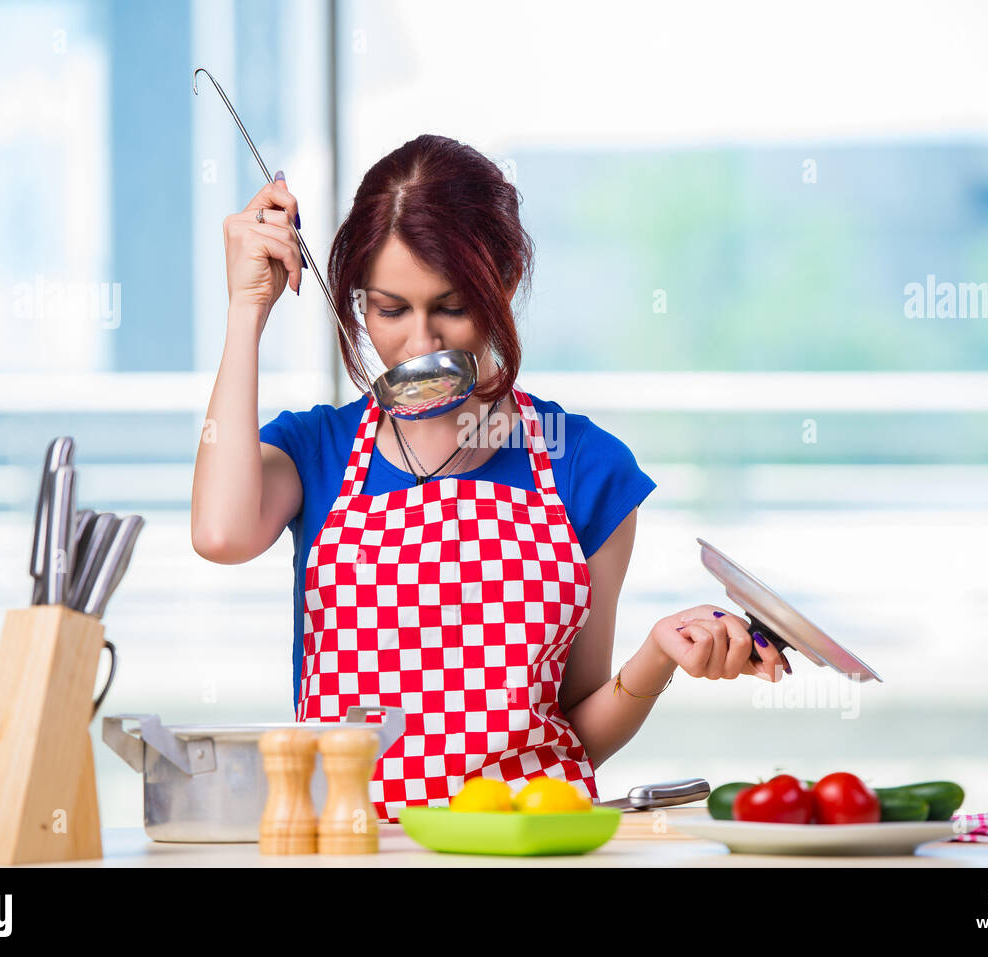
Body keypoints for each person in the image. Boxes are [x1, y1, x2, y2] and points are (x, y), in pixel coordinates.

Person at [191, 134, 791, 822]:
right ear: (357, 303)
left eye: (450, 306)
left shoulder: (584, 466)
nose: (422, 343)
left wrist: (655, 658)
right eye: (390, 310)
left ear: (503, 280)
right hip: (357, 851)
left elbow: (572, 731)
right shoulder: (316, 450)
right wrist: (246, 312)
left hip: (528, 849)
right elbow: (220, 534)